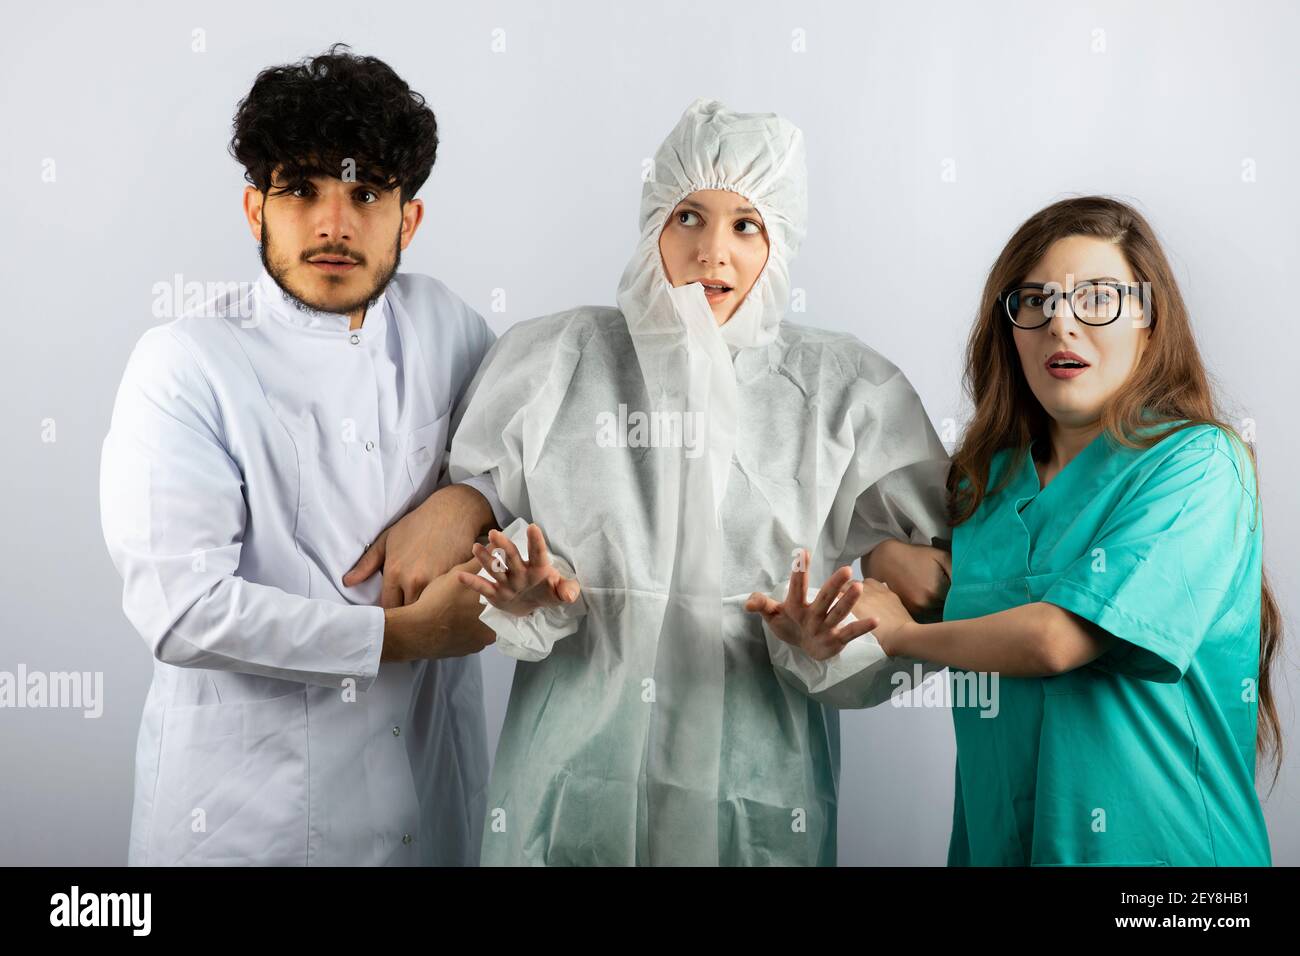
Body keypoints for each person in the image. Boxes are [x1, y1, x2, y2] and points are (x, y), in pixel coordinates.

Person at [440, 98, 953, 865]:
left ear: (779, 242)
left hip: (756, 802)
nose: (713, 250)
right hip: (569, 794)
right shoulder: (562, 362)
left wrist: (829, 646)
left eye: (746, 224)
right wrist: (517, 601)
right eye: (689, 217)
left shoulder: (842, 394)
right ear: (654, 222)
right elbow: (487, 533)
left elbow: (927, 594)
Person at [99, 44, 504, 866]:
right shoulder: (186, 363)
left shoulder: (452, 331)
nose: (334, 224)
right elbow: (181, 609)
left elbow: (530, 459)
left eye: (365, 193)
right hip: (248, 820)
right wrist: (401, 637)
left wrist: (466, 501)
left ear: (408, 218)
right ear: (256, 211)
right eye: (301, 190)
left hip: (426, 808)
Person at [819, 196, 1281, 865]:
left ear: (1151, 322)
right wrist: (879, 563)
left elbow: (1055, 640)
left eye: (1098, 297)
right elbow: (915, 565)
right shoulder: (987, 482)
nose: (1061, 322)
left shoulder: (1199, 465)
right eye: (1035, 300)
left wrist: (903, 633)